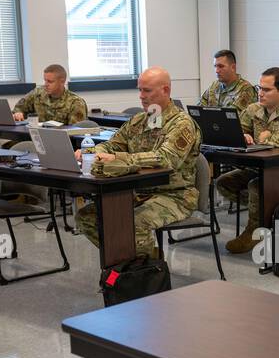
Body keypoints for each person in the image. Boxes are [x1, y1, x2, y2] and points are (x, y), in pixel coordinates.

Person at [74, 67, 198, 260]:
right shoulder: (139, 120)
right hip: (138, 192)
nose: (141, 96)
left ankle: (142, 270)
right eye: (139, 90)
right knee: (87, 217)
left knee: (133, 223)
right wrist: (90, 153)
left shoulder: (182, 123)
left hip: (174, 195)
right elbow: (112, 145)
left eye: (147, 90)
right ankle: (136, 260)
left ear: (165, 90)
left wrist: (119, 159)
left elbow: (166, 159)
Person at [216, 67, 279, 255]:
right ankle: (264, 213)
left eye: (266, 90)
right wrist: (243, 136)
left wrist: (267, 138)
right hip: (261, 169)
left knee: (257, 187)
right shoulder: (253, 109)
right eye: (259, 88)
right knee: (224, 183)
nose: (260, 93)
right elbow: (239, 129)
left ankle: (255, 230)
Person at [13, 64, 88, 125]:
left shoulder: (75, 102)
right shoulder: (37, 93)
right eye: (45, 80)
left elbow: (76, 131)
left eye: (50, 81)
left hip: (63, 140)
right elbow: (18, 108)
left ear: (62, 82)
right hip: (38, 137)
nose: (46, 84)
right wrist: (18, 113)